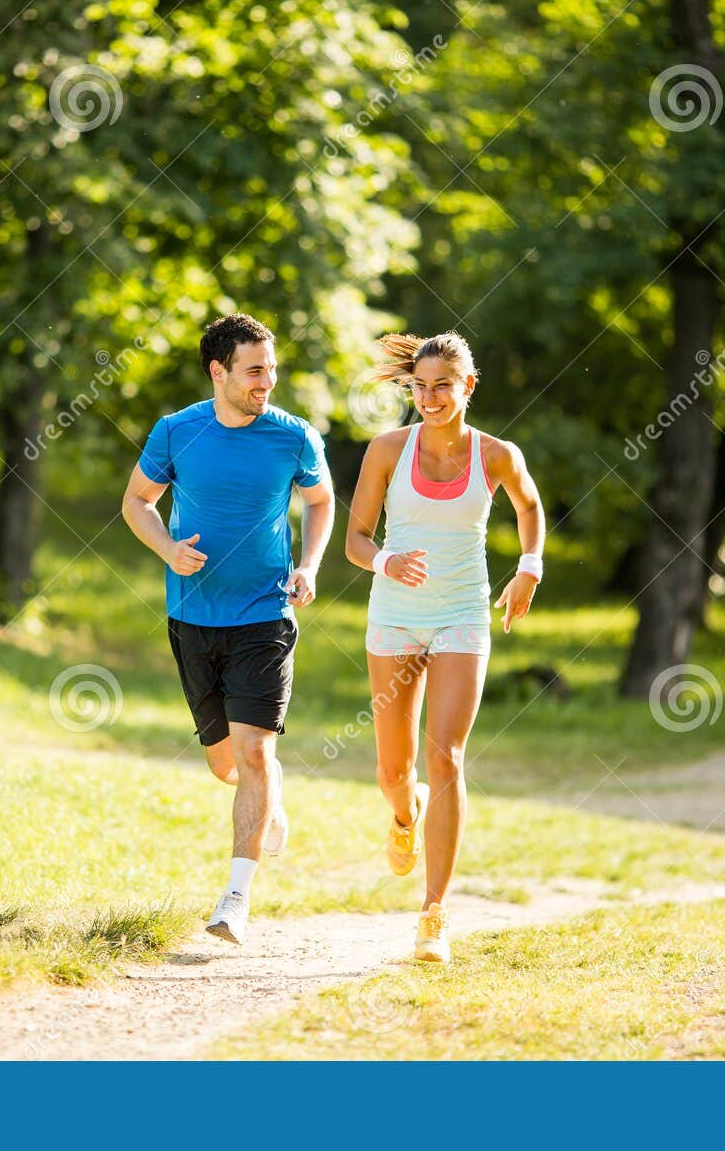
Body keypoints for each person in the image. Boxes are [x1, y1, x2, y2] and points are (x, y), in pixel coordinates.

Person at [122, 313, 334, 945]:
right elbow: (137, 501)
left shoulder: (293, 437)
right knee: (226, 765)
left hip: (265, 614)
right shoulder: (175, 431)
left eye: (271, 369)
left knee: (256, 751)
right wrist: (166, 549)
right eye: (254, 370)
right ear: (219, 372)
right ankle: (269, 799)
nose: (266, 381)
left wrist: (310, 565)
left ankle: (234, 899)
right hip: (192, 616)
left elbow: (320, 501)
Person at [344, 331, 544, 962]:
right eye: (420, 386)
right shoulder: (385, 451)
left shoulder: (496, 455)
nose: (429, 398)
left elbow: (530, 505)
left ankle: (434, 916)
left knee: (447, 759)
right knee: (393, 773)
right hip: (396, 619)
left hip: (462, 616)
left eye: (443, 386)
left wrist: (529, 567)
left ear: (468, 386)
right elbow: (354, 539)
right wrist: (385, 561)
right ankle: (404, 818)